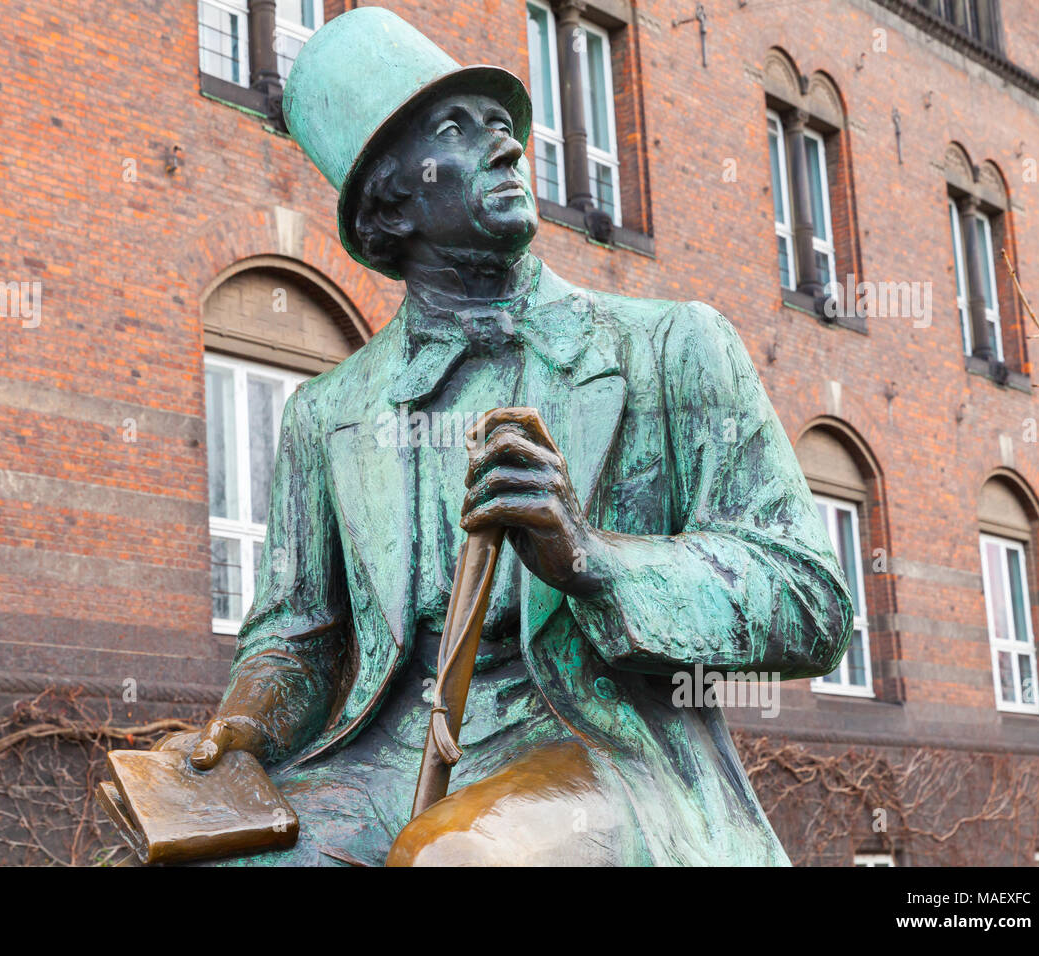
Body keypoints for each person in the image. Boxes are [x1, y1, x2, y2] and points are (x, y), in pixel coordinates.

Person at [156, 6, 852, 866]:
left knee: (461, 856)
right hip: (377, 772)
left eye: (504, 124)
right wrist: (244, 726)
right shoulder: (324, 413)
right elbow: (295, 634)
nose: (510, 145)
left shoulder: (673, 348)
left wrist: (591, 560)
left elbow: (812, 603)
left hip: (604, 760)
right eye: (456, 127)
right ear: (390, 202)